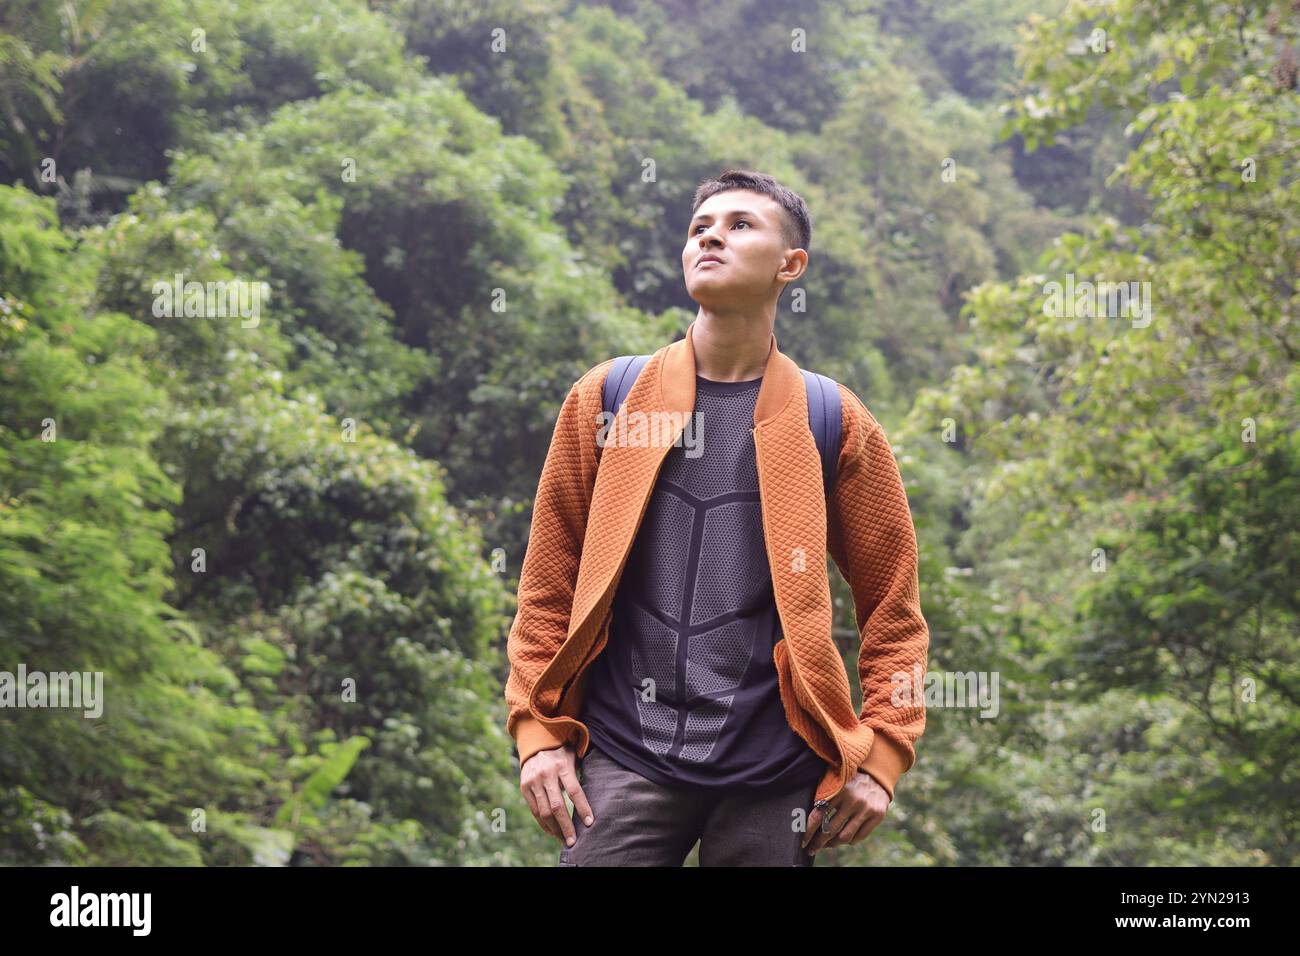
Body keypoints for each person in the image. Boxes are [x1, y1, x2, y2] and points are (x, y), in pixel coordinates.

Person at [504, 169, 929, 866]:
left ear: (791, 265)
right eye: (700, 226)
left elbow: (893, 610)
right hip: (623, 752)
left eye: (740, 225)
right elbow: (548, 581)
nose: (710, 236)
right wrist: (537, 733)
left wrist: (882, 753)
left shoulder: (834, 421)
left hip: (777, 770)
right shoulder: (607, 398)